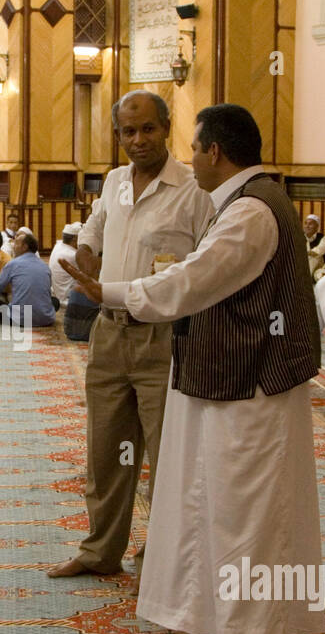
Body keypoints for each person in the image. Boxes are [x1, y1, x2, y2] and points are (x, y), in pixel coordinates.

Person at [61, 103, 323, 634]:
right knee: (225, 503)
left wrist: (108, 292)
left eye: (193, 147)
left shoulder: (249, 213)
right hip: (235, 380)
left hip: (250, 385)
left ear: (213, 152)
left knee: (245, 513)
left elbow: (191, 281)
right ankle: (232, 620)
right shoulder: (247, 202)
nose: (189, 157)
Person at [48, 90, 211, 584]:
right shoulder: (116, 182)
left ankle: (158, 561)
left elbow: (205, 265)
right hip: (109, 334)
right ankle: (100, 550)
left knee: (166, 459)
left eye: (148, 129)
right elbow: (94, 227)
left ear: (167, 128)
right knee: (106, 451)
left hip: (164, 339)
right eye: (127, 132)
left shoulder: (193, 190)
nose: (138, 140)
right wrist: (90, 250)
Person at [0, 232, 57, 326]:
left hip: (19, 320)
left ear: (25, 247)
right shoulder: (45, 266)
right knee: (54, 302)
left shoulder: (12, 264)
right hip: (46, 319)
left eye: (16, 243)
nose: (13, 246)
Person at [48, 222, 82, 308]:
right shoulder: (72, 255)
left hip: (57, 294)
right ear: (75, 239)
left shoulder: (58, 246)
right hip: (66, 299)